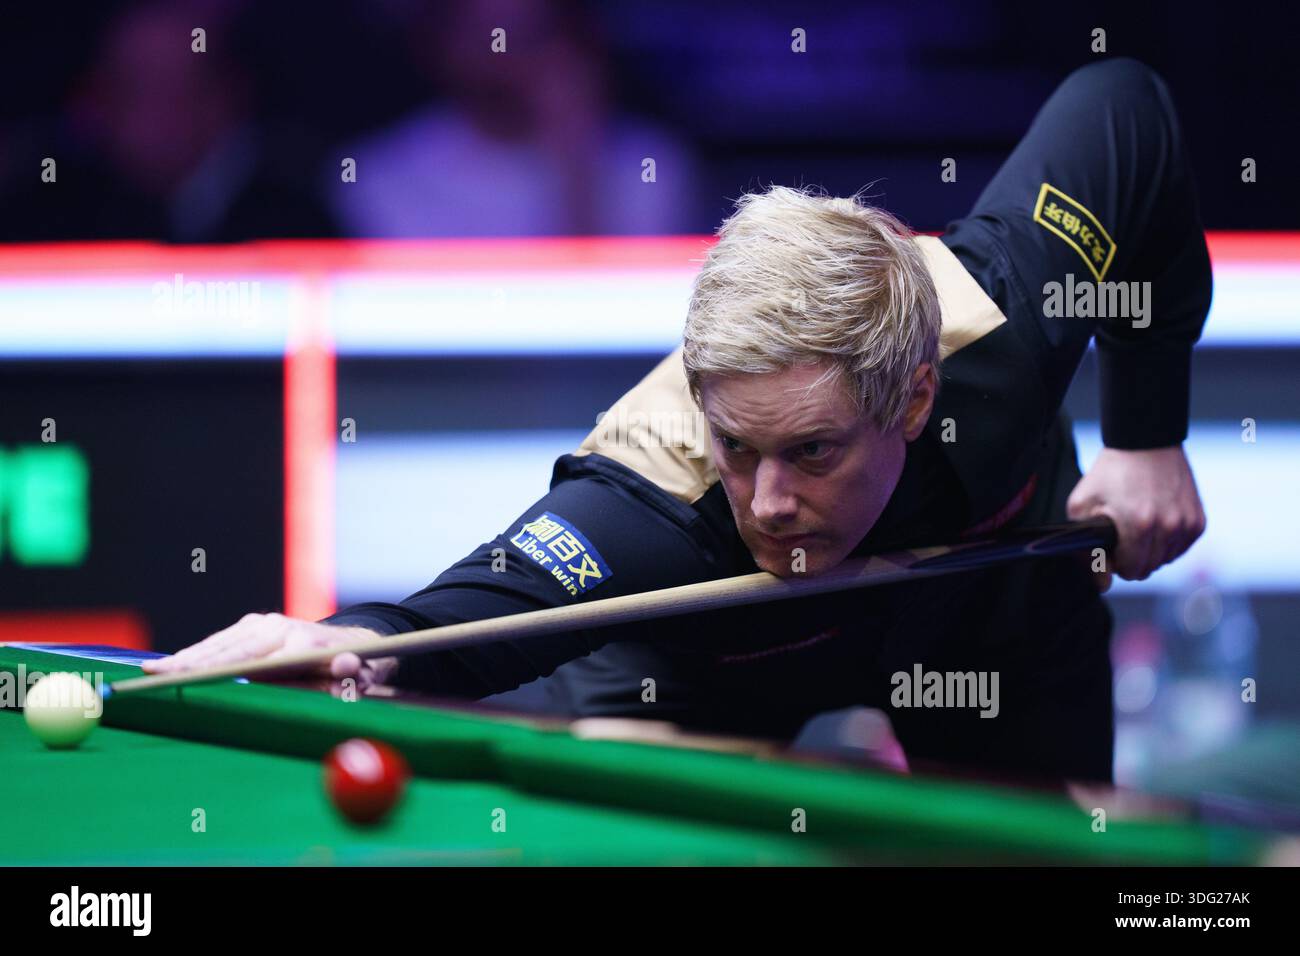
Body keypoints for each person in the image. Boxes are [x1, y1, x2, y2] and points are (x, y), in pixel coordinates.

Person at [147, 58, 1209, 784]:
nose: (770, 501)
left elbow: (1125, 106)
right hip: (715, 655)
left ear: (914, 396)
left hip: (995, 601)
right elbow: (450, 624)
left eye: (812, 449)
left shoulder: (1002, 318)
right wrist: (345, 645)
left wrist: (1146, 433)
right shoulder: (650, 500)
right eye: (735, 446)